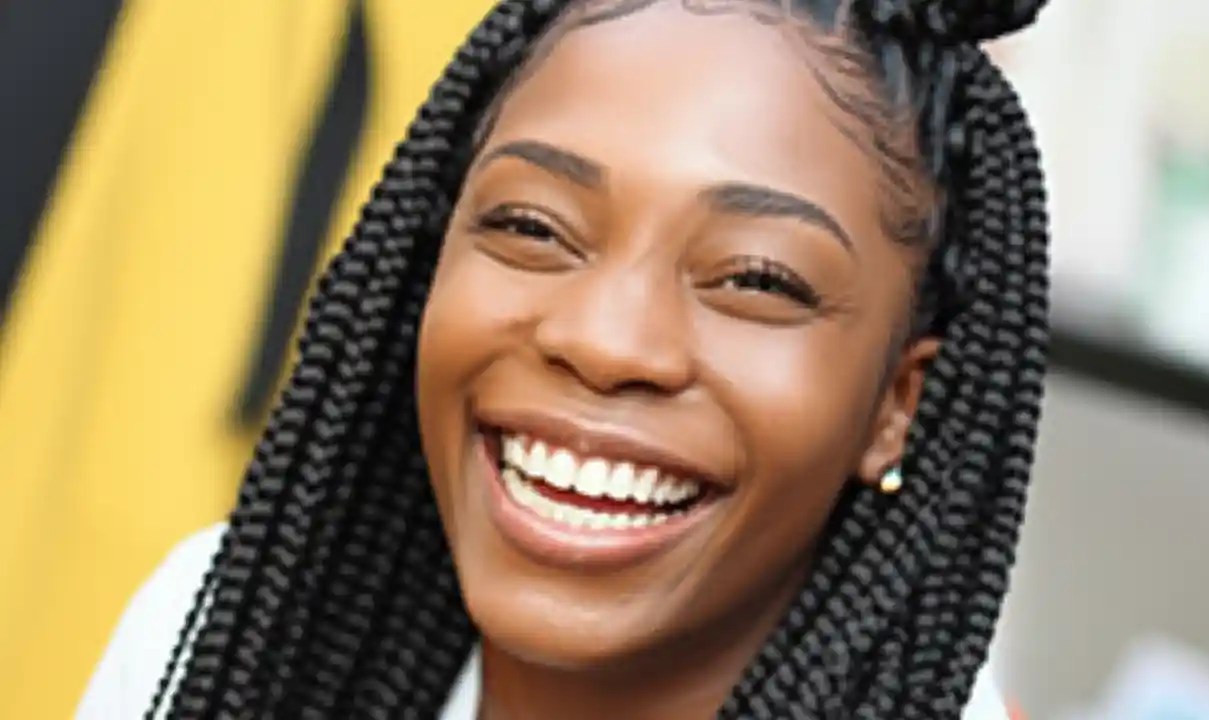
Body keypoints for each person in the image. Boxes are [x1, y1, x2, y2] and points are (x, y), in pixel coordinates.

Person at [80, 0, 1051, 717]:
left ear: (897, 404)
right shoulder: (221, 625)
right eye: (531, 227)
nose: (602, 341)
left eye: (754, 279)